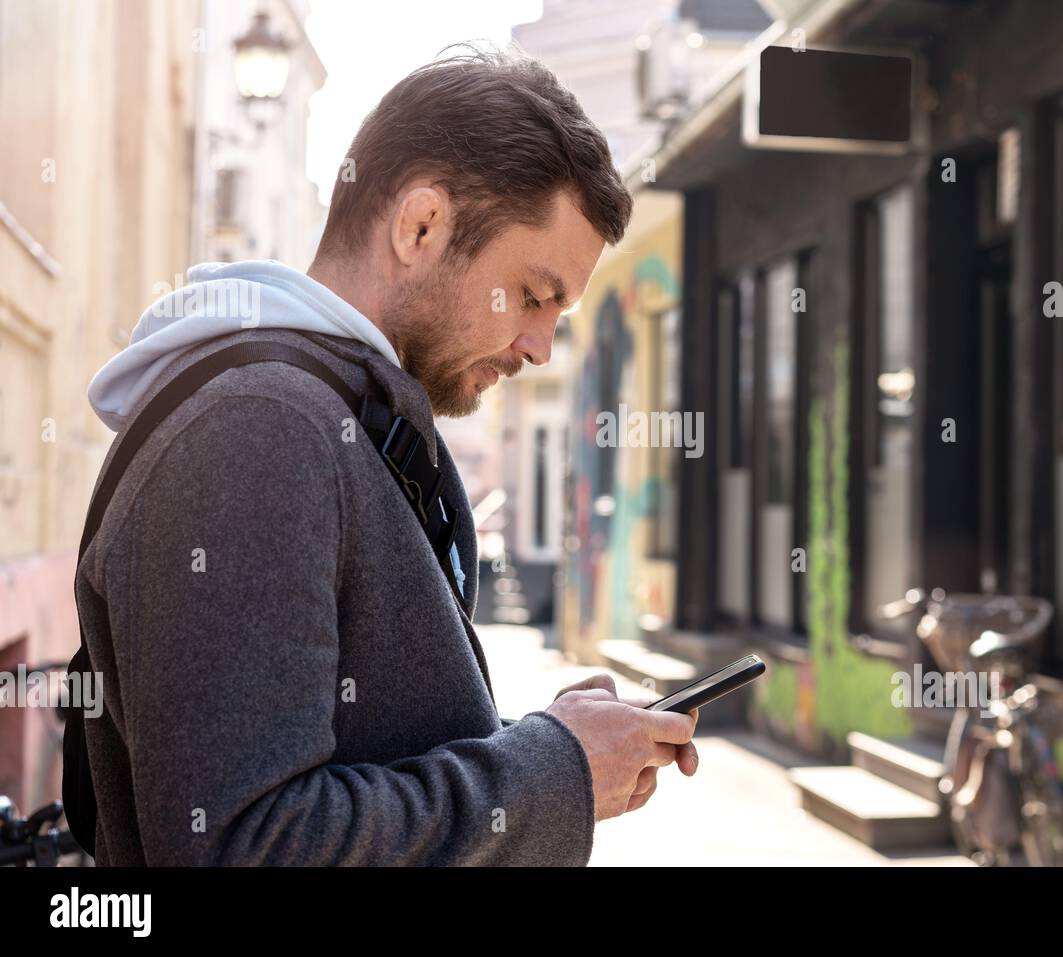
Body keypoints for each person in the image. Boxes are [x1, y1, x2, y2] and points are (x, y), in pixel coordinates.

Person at [76, 47, 698, 866]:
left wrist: (546, 743)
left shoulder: (331, 414)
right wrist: (554, 770)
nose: (541, 345)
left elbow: (353, 757)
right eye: (536, 294)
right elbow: (247, 846)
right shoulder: (255, 430)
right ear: (421, 226)